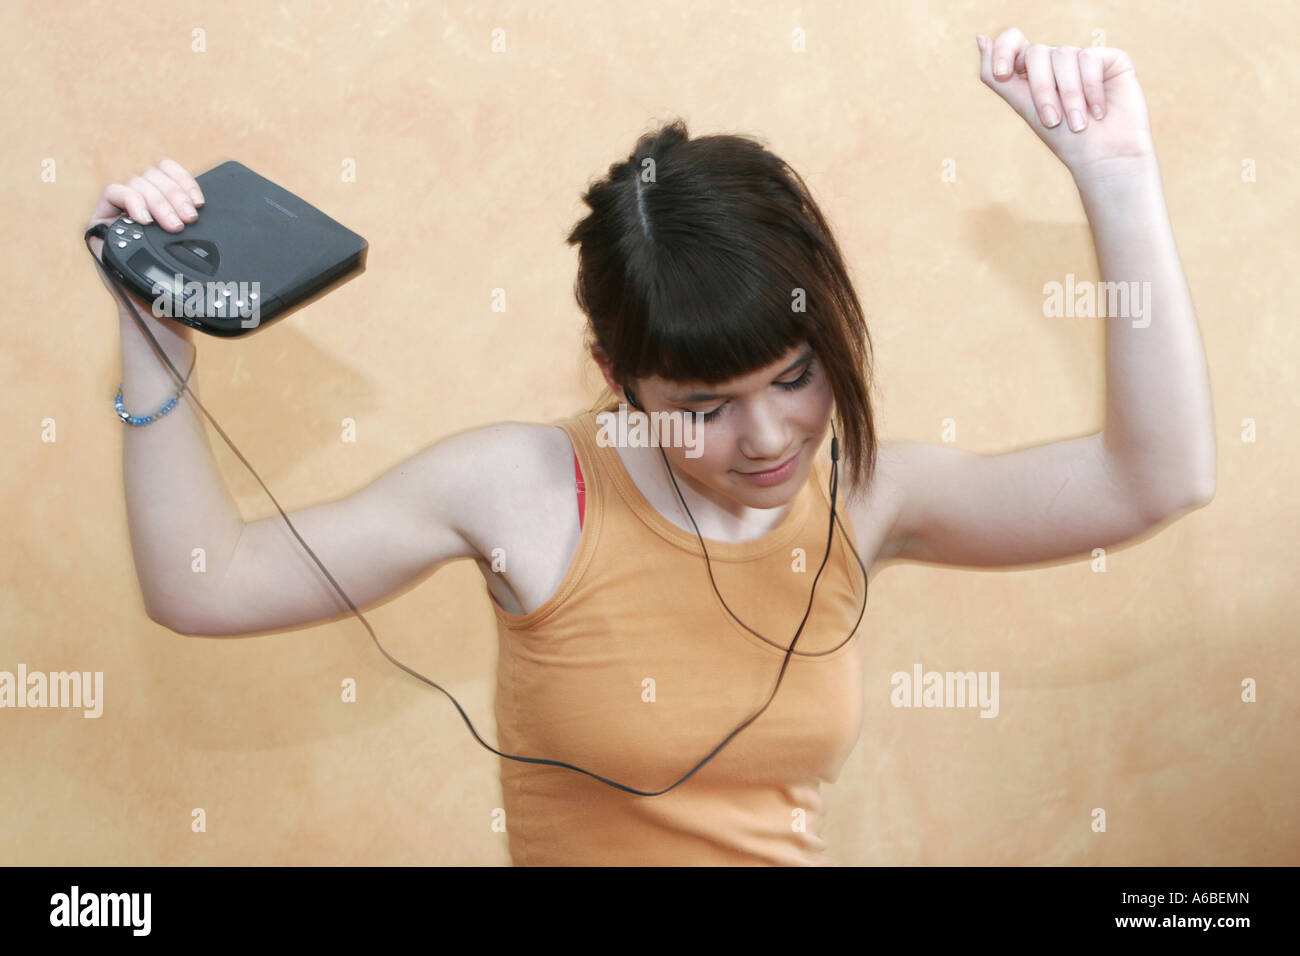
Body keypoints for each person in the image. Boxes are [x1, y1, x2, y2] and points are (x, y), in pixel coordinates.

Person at [89, 27, 1215, 866]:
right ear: (612, 373)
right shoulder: (528, 489)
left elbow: (1153, 478)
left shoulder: (867, 497)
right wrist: (155, 338)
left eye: (797, 374)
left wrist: (1116, 181)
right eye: (705, 405)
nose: (770, 436)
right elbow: (208, 585)